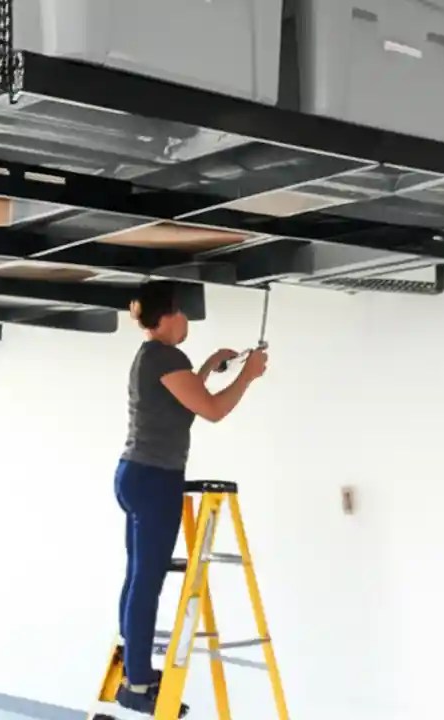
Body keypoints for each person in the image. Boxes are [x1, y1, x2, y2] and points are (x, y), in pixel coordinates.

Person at [113, 281, 268, 715]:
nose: (186, 321)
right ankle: (140, 683)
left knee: (138, 574)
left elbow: (184, 407)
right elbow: (213, 411)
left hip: (136, 474)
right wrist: (248, 375)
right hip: (154, 478)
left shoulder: (153, 357)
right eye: (181, 312)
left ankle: (134, 666)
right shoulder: (165, 356)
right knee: (148, 580)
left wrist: (208, 367)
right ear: (165, 317)